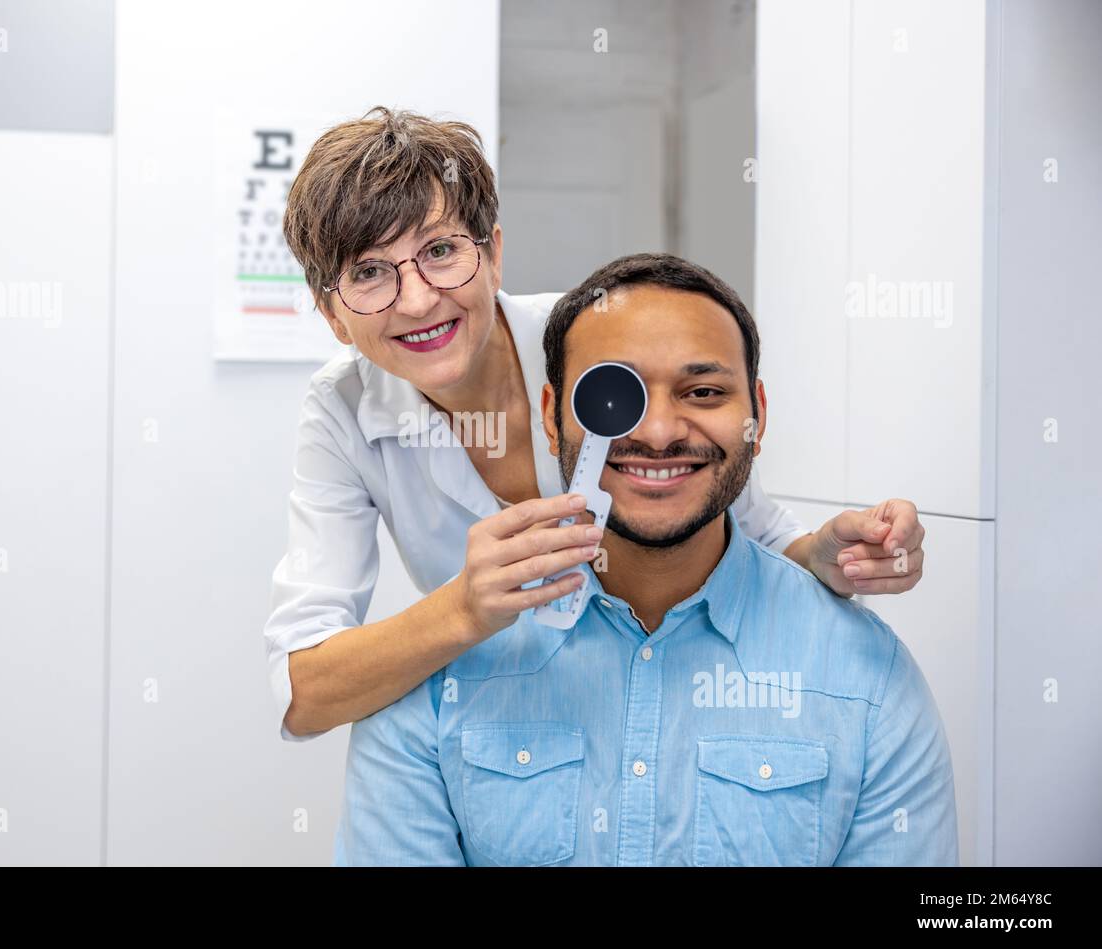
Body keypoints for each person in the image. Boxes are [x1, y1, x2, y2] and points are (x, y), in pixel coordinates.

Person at [267, 108, 926, 741]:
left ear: (493, 254)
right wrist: (464, 608)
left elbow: (759, 540)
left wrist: (833, 557)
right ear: (332, 315)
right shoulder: (340, 411)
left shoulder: (595, 342)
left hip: (689, 694)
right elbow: (304, 693)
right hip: (519, 725)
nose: (416, 299)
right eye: (370, 272)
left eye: (440, 250)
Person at [335, 253, 958, 866]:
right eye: (614, 396)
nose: (659, 432)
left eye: (704, 391)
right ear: (553, 421)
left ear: (757, 417)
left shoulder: (866, 681)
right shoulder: (436, 677)